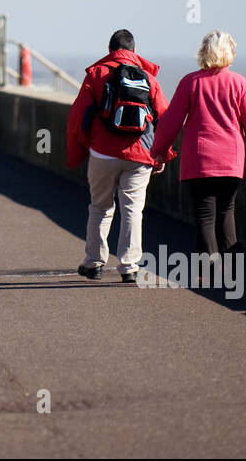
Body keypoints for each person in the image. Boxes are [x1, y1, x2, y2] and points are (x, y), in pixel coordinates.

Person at [149, 30, 246, 257]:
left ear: (203, 52)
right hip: (231, 160)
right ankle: (230, 271)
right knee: (227, 212)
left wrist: (159, 151)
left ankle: (210, 268)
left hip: (200, 160)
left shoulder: (190, 82)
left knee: (205, 217)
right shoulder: (239, 83)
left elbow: (171, 121)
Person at [65, 29, 173, 282]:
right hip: (140, 153)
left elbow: (77, 117)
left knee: (100, 206)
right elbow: (165, 117)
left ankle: (93, 263)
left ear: (110, 49)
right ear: (134, 50)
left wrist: (84, 148)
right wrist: (162, 154)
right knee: (133, 209)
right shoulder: (148, 77)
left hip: (103, 153)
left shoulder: (96, 74)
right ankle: (129, 266)